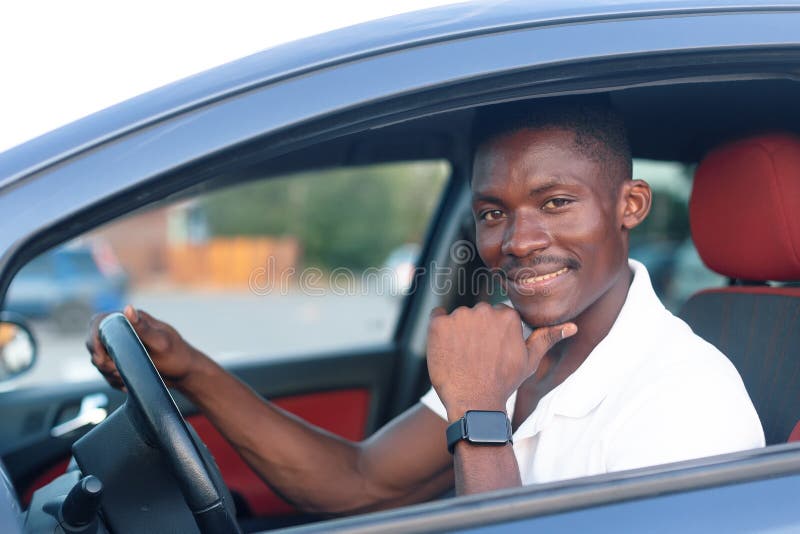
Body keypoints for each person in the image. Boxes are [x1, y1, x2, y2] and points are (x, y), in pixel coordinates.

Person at [86, 98, 764, 515]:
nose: (519, 241)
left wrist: (477, 413)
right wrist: (192, 369)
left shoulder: (685, 400)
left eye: (556, 202)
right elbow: (357, 484)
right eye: (494, 212)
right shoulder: (517, 354)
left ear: (630, 206)